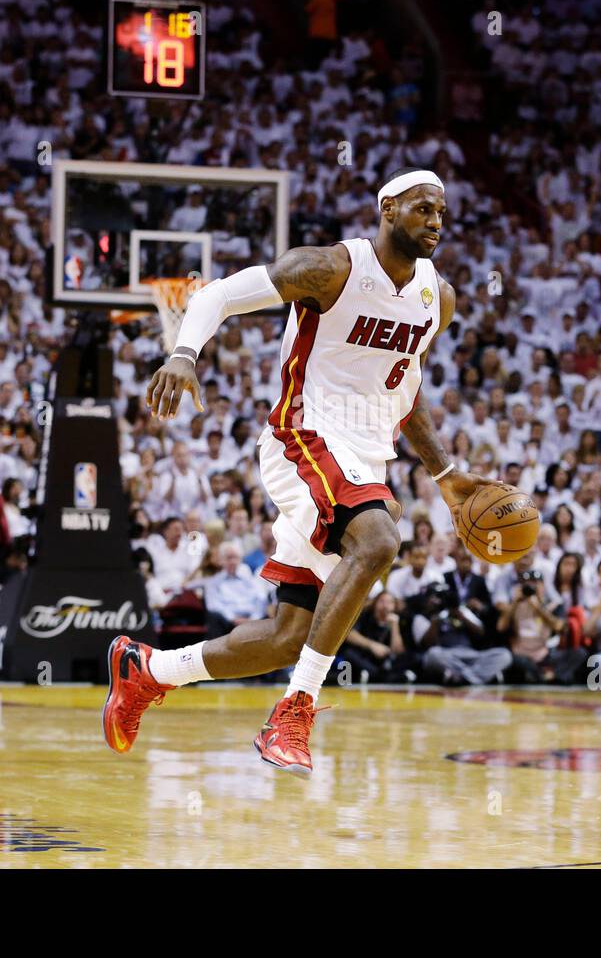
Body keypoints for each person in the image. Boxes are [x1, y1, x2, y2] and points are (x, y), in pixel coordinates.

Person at [103, 167, 498, 775]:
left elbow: (404, 392)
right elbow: (217, 295)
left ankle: (147, 671)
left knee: (289, 635)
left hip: (362, 460)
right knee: (380, 540)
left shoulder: (435, 299)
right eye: (423, 210)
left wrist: (446, 476)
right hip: (302, 437)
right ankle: (294, 713)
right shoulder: (330, 269)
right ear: (388, 208)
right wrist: (184, 354)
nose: (437, 223)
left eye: (442, 213)